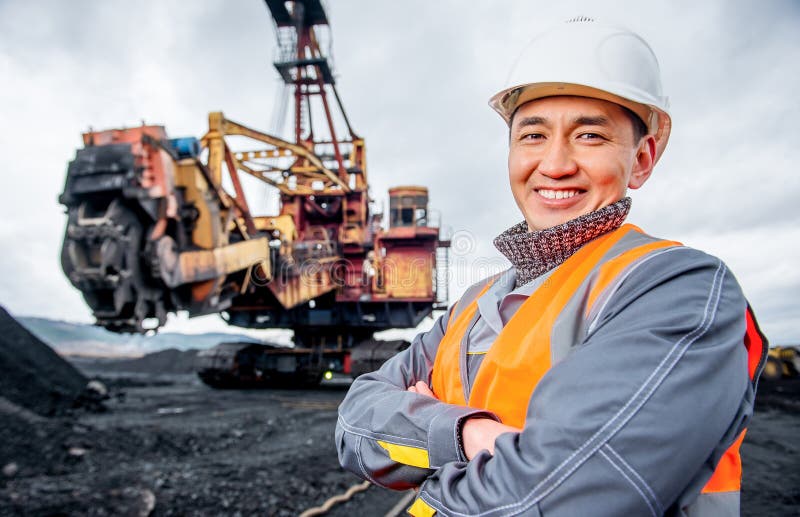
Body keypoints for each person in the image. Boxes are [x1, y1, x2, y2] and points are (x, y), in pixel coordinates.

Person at [335, 17, 767, 516]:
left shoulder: (678, 289)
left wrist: (419, 426)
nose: (555, 163)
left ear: (643, 159)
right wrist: (469, 434)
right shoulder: (473, 304)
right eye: (533, 135)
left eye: (589, 136)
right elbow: (353, 421)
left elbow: (559, 494)